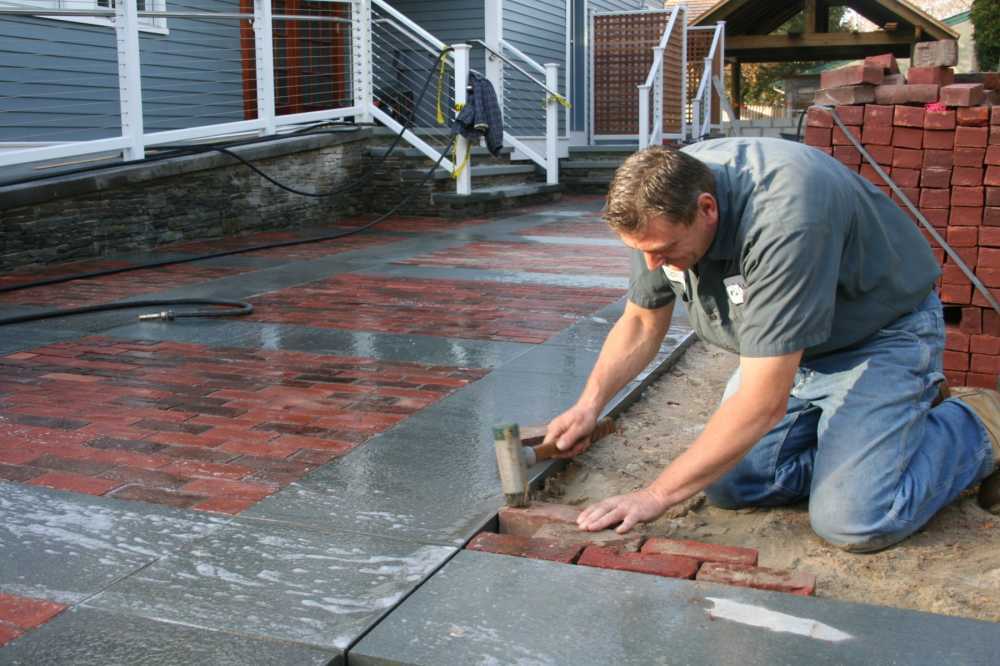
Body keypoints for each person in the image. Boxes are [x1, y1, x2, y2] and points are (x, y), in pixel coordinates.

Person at [543, 138, 1000, 553]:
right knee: (729, 484)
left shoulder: (786, 221)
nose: (651, 264)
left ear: (707, 209)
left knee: (856, 520)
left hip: (878, 338)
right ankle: (871, 442)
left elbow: (763, 402)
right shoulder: (655, 204)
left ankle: (975, 423)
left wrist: (656, 494)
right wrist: (589, 405)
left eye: (664, 250)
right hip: (792, 351)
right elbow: (642, 321)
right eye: (642, 250)